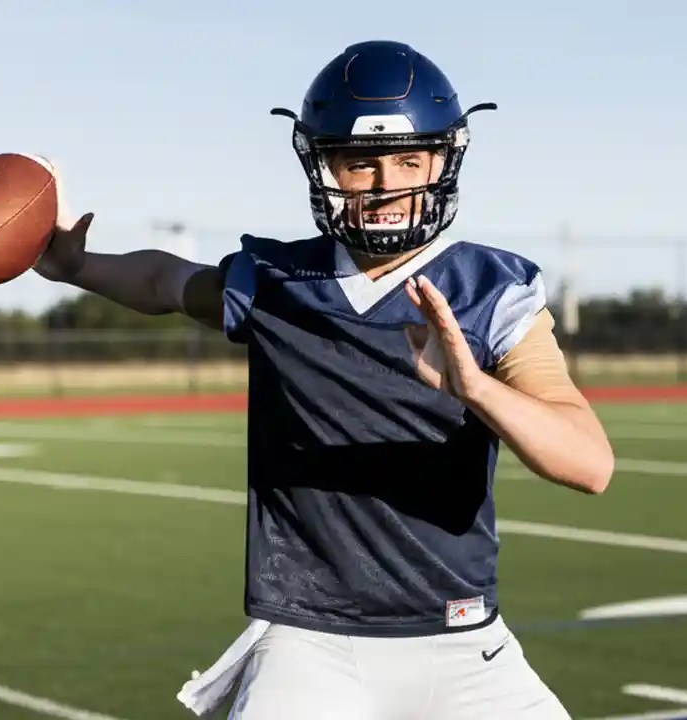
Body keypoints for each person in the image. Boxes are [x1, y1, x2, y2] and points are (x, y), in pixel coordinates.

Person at [35, 40, 614, 720]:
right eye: (359, 161)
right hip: (310, 645)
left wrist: (477, 388)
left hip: (464, 642)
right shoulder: (279, 281)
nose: (386, 183)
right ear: (324, 164)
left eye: (409, 159)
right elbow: (165, 281)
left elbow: (591, 464)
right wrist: (76, 266)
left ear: (443, 159)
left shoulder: (492, 289)